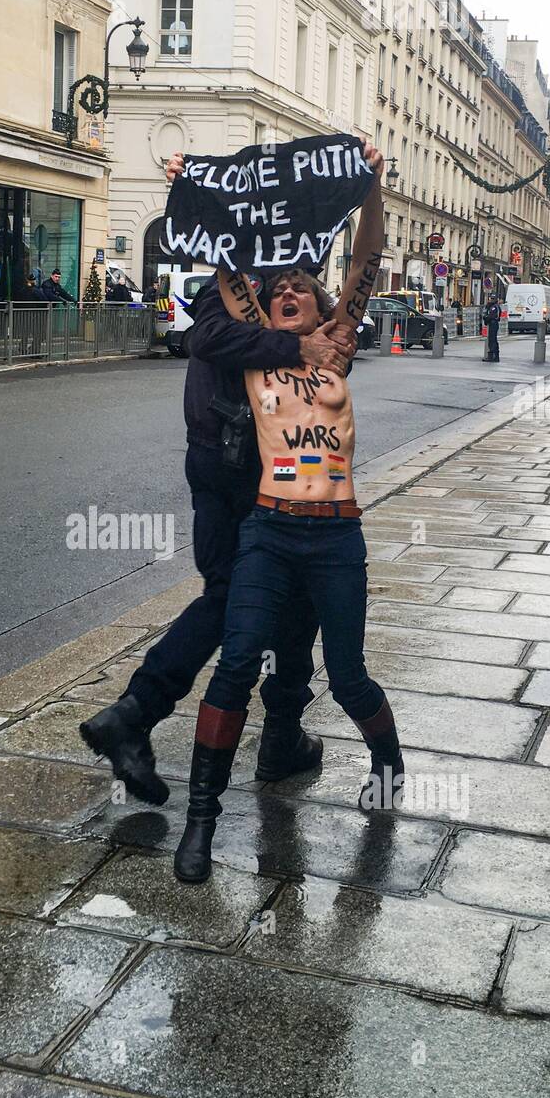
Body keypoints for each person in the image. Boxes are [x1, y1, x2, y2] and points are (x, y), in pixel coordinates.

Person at [80, 153, 357, 806]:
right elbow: (207, 338)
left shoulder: (284, 281)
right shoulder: (239, 280)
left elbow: (344, 327)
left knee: (250, 599)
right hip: (242, 469)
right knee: (275, 598)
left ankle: (142, 716)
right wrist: (297, 347)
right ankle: (255, 733)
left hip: (255, 465)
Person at [174, 142, 404, 884]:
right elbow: (226, 266)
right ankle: (201, 826)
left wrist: (371, 185)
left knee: (349, 678)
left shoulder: (336, 351)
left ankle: (389, 766)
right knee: (237, 661)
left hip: (336, 540)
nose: (290, 291)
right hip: (269, 533)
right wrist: (194, 195)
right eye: (279, 291)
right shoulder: (260, 360)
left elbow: (368, 249)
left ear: (324, 306)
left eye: (304, 285)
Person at [484, 295, 501, 362]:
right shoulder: (492, 306)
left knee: (493, 340)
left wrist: (486, 318)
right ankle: (492, 356)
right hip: (492, 323)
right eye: (490, 299)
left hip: (493, 323)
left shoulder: (495, 307)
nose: (490, 300)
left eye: (492, 299)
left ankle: (493, 356)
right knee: (492, 340)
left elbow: (492, 316)